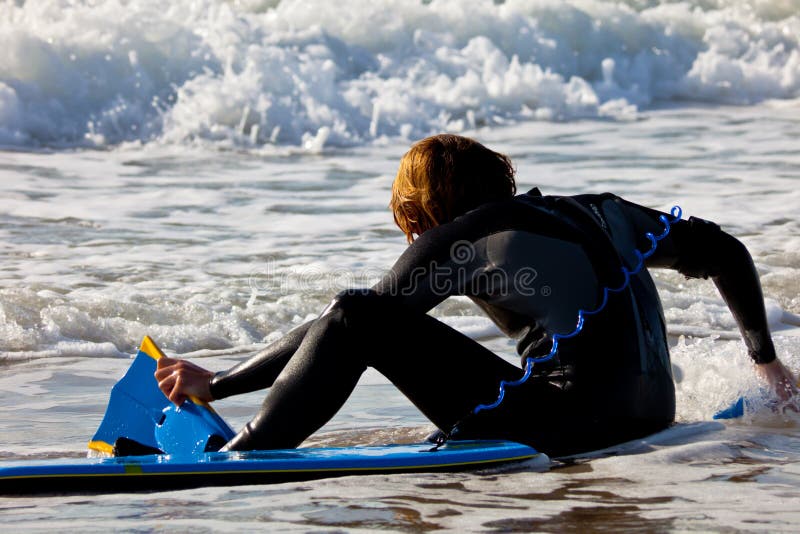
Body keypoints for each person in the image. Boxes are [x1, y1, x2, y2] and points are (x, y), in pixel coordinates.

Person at [155, 134, 797, 457]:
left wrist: (222, 383)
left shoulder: (467, 235)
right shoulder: (605, 212)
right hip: (651, 419)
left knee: (356, 312)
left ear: (424, 212)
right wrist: (764, 361)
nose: (412, 237)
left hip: (572, 429)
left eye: (410, 225)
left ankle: (244, 455)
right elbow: (727, 253)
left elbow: (351, 320)